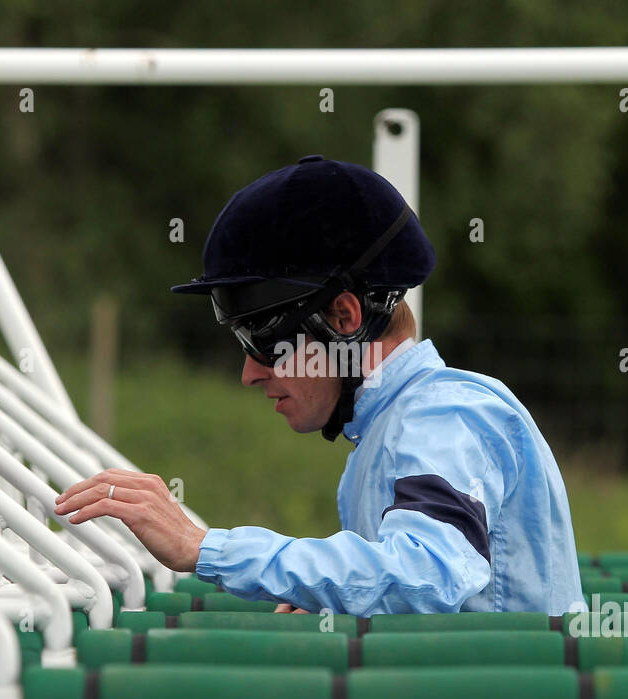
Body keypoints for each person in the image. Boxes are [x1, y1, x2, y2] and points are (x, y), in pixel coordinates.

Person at [55, 154, 584, 616]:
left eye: (264, 339)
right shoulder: (393, 427)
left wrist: (204, 547)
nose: (250, 373)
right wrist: (330, 593)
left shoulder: (447, 415)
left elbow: (429, 573)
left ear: (345, 315)